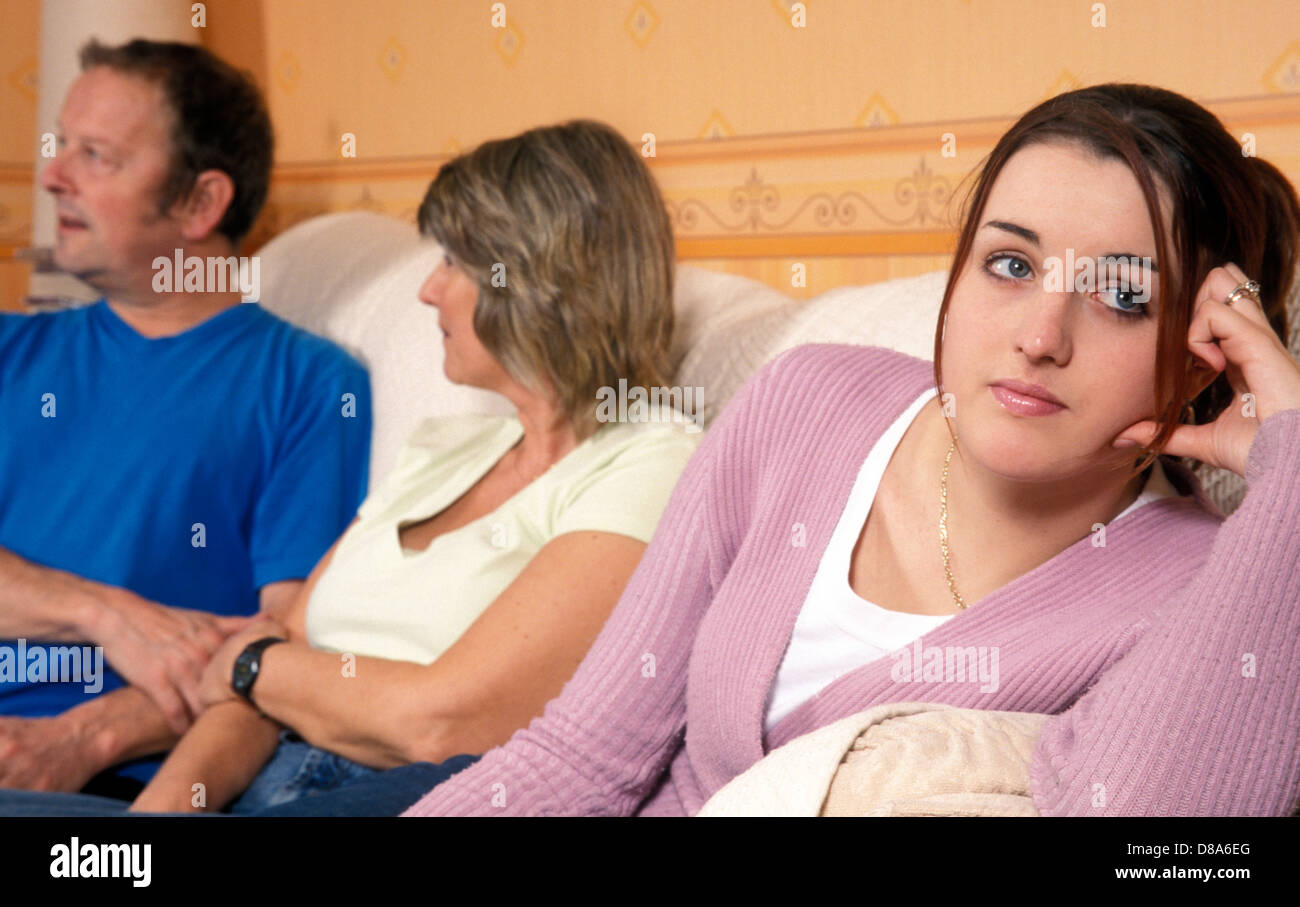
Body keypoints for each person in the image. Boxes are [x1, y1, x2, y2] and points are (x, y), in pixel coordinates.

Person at [385, 83, 1298, 816]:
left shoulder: (1203, 583)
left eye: (1121, 296)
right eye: (1011, 265)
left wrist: (1293, 464)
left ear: (1199, 347)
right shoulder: (803, 402)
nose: (1039, 335)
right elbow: (580, 755)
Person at [0, 118, 701, 816]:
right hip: (245, 784)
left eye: (454, 260)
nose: (428, 289)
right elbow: (264, 671)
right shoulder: (443, 451)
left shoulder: (650, 461)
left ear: (539, 277)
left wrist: (255, 668)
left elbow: (437, 720)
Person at [0, 39, 371, 797]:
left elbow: (286, 648)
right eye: (61, 145)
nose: (52, 176)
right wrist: (102, 613)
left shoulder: (306, 382)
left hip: (103, 777)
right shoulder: (11, 348)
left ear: (201, 202)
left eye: (96, 155)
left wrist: (83, 736)